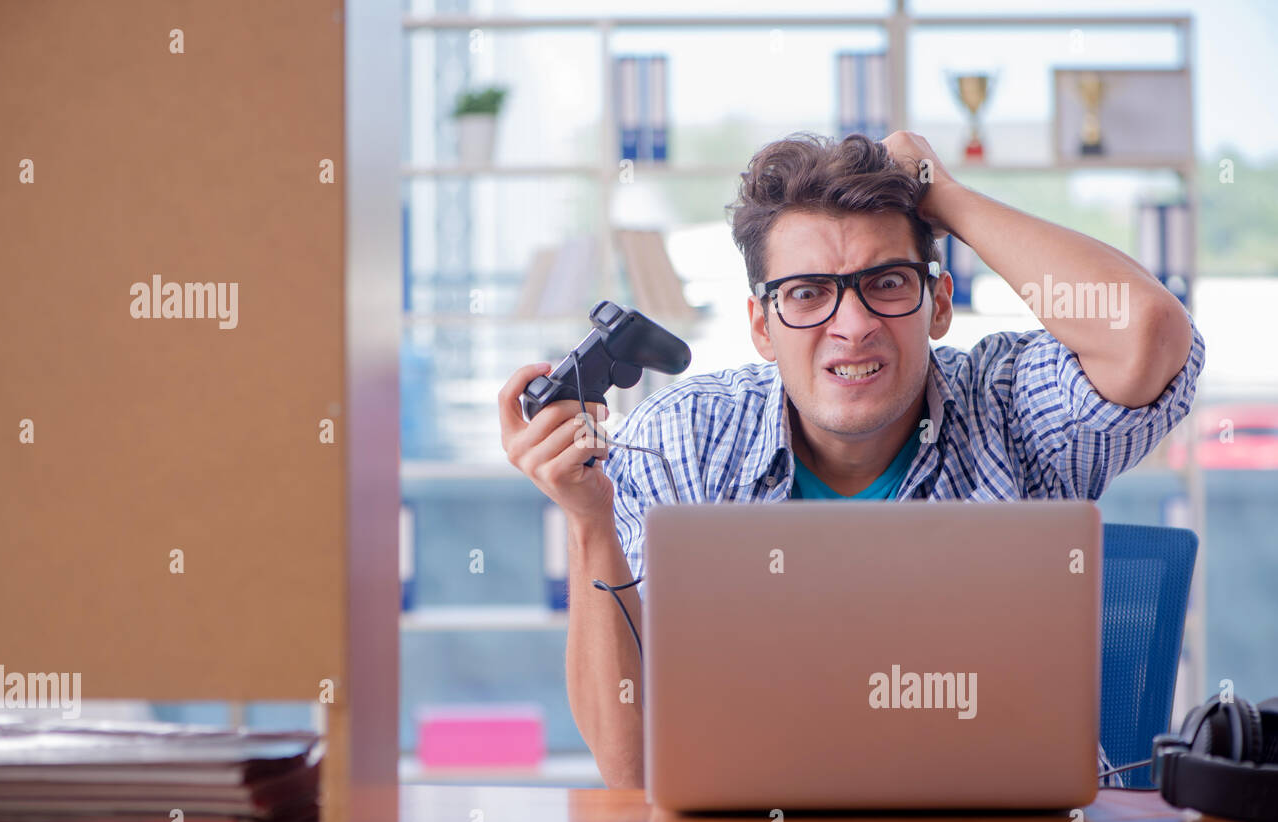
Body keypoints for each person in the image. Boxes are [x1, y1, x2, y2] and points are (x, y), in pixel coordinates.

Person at [499, 131, 1204, 789]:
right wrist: (590, 522)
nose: (854, 324)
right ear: (761, 327)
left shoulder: (1012, 405)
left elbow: (1146, 330)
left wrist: (944, 196)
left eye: (889, 282)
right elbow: (629, 764)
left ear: (938, 304)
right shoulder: (687, 436)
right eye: (807, 294)